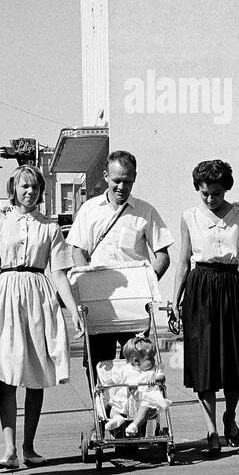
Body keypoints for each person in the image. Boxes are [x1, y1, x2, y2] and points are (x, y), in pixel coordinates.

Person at [0, 165, 83, 470]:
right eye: (24, 186)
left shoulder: (50, 228)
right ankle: (8, 449)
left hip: (38, 296)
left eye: (35, 187)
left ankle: (29, 447)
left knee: (36, 373)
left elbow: (59, 273)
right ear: (13, 189)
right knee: (6, 374)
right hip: (6, 297)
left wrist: (74, 312)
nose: (30, 192)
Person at [172, 159, 239, 455]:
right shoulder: (189, 216)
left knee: (231, 359)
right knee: (204, 361)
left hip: (231, 287)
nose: (211, 199)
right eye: (205, 194)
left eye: (216, 193)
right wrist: (175, 299)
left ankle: (230, 415)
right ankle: (211, 429)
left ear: (226, 188)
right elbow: (184, 260)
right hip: (199, 288)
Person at [67, 150, 172, 367]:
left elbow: (162, 255)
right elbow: (77, 250)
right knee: (98, 367)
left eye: (127, 181)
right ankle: (101, 403)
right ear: (106, 176)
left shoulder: (145, 211)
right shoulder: (89, 210)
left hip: (134, 307)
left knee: (139, 365)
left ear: (135, 178)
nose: (121, 187)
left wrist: (147, 284)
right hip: (99, 302)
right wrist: (86, 285)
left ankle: (135, 402)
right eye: (116, 180)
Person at [98, 334, 170, 437]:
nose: (154, 361)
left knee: (145, 408)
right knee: (114, 408)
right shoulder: (125, 369)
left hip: (145, 400)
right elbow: (114, 380)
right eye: (150, 359)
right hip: (126, 400)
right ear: (136, 361)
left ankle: (134, 425)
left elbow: (162, 378)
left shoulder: (154, 370)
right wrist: (103, 384)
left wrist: (155, 379)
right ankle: (117, 418)